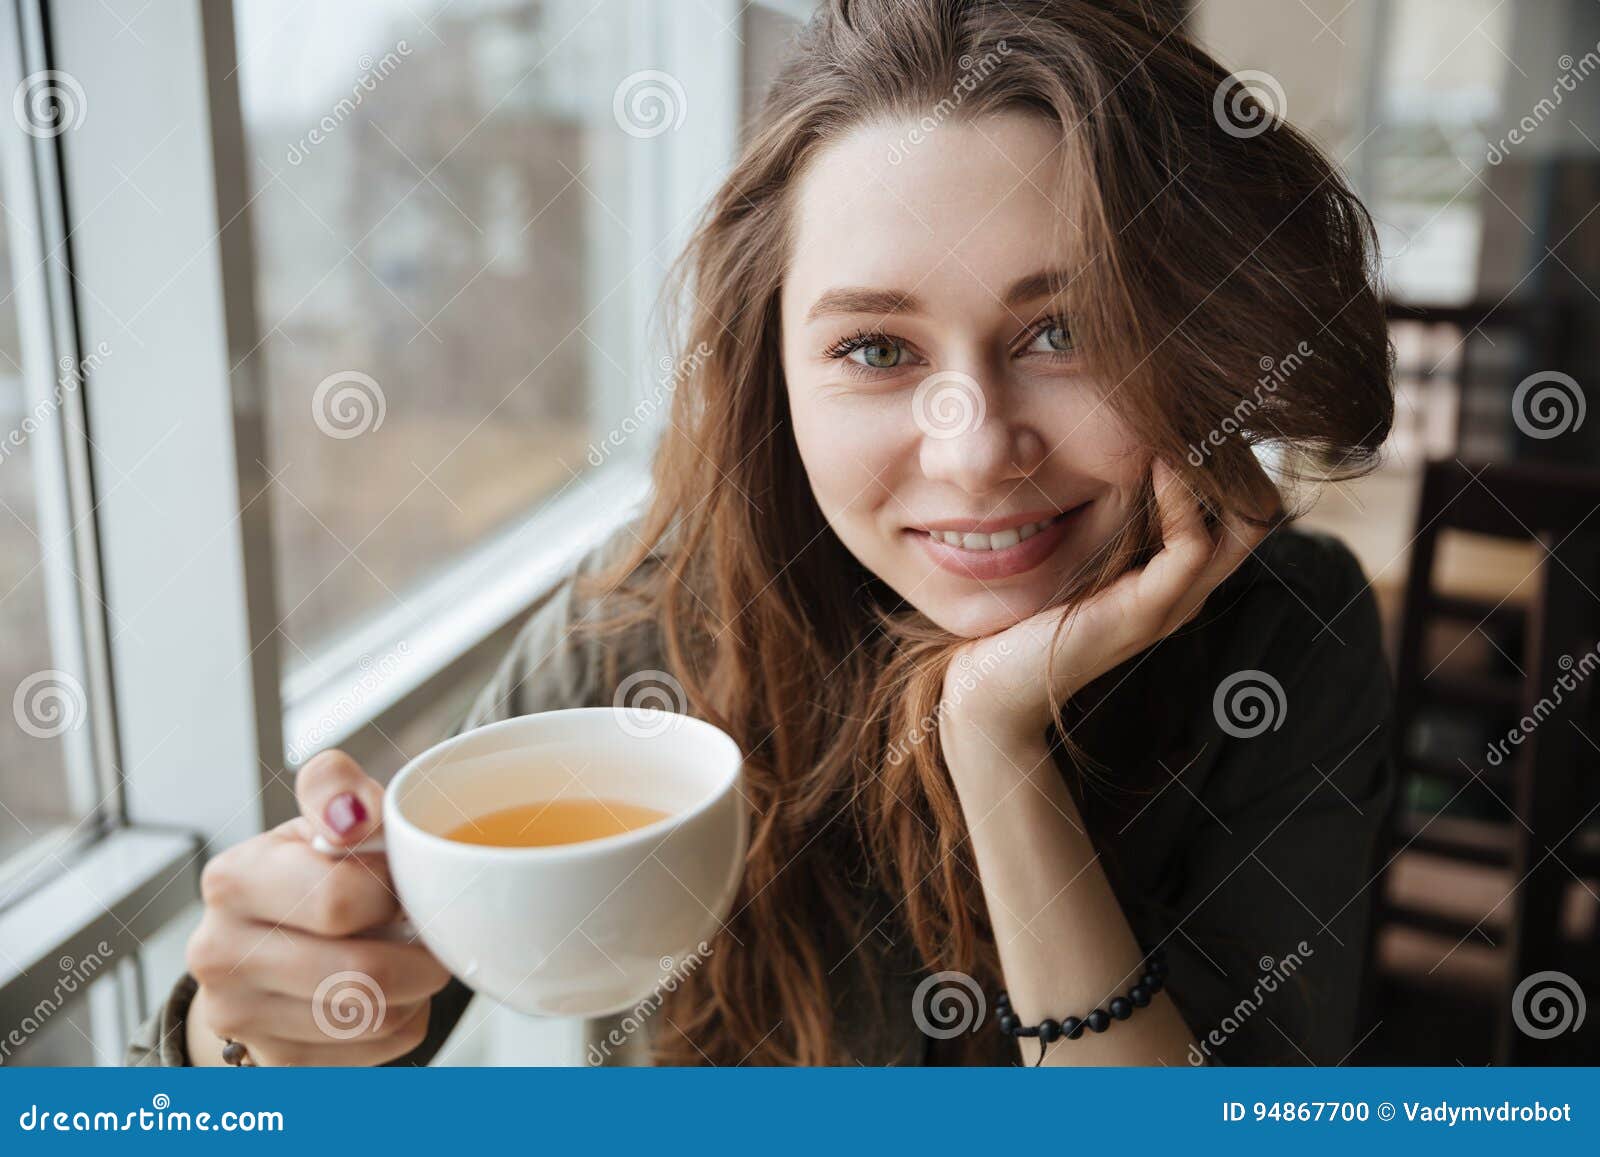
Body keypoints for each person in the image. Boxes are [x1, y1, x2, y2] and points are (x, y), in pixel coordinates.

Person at [129, 0, 1395, 1068]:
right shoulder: (647, 622)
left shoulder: (1286, 636)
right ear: (772, 377)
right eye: (876, 349)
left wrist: (992, 744)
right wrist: (251, 1023)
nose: (971, 445)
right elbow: (323, 1010)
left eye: (1062, 332)